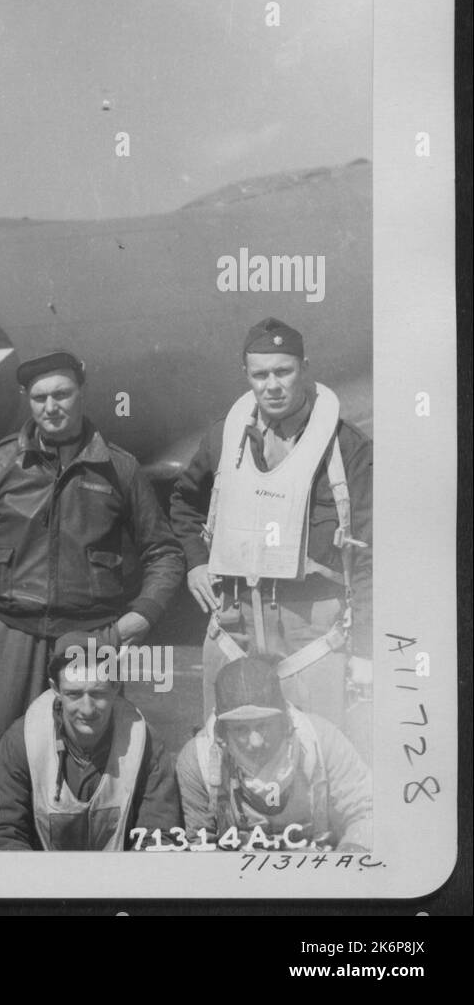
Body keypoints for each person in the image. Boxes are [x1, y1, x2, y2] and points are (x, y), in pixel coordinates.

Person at [0, 350, 184, 761]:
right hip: (11, 636)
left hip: (91, 637)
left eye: (62, 394)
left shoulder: (119, 468)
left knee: (94, 759)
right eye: (39, 397)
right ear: (29, 401)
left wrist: (144, 614)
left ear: (82, 393)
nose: (51, 407)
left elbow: (164, 551)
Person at [169, 317, 372, 757]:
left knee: (319, 752)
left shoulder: (346, 448)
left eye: (284, 371)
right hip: (233, 621)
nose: (273, 385)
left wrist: (368, 652)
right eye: (261, 374)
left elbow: (372, 552)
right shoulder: (226, 436)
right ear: (247, 375)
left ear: (304, 367)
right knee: (223, 747)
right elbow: (184, 501)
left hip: (311, 629)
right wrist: (195, 562)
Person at [0, 630, 181, 851]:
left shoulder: (145, 740)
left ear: (115, 688)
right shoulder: (22, 738)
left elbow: (158, 837)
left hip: (121, 878)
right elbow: (6, 834)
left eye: (98, 694)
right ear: (55, 689)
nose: (87, 709)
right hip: (42, 877)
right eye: (74, 694)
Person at [176, 655, 371, 851]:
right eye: (240, 729)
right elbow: (201, 848)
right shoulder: (197, 761)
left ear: (285, 719)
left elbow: (367, 809)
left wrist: (351, 853)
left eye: (264, 725)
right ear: (222, 732)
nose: (256, 741)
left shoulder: (322, 740)